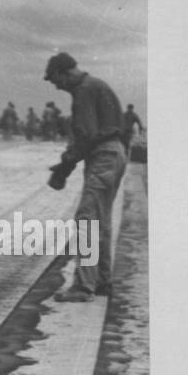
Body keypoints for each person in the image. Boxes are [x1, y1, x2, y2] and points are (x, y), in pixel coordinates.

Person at [43, 51, 127, 301]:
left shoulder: (84, 91)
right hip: (112, 154)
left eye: (55, 80)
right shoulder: (94, 86)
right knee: (100, 220)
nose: (56, 86)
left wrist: (64, 167)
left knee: (87, 219)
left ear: (64, 73)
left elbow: (85, 137)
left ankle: (83, 286)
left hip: (104, 155)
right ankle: (101, 281)